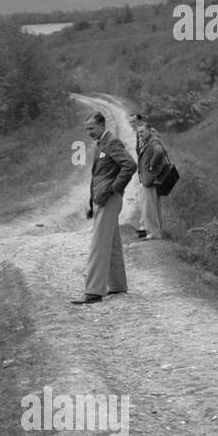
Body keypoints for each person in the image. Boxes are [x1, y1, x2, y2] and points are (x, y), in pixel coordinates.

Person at [73, 110, 136, 304]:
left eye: (91, 128)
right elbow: (100, 175)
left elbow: (130, 165)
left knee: (99, 244)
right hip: (103, 198)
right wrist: (94, 202)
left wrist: (114, 188)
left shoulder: (111, 142)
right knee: (112, 240)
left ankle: (93, 291)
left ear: (101, 125)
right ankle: (117, 285)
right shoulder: (102, 143)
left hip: (109, 198)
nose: (89, 132)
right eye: (86, 129)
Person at [134, 118, 168, 241]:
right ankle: (157, 232)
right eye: (138, 132)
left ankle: (154, 233)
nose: (140, 134)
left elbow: (159, 151)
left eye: (142, 132)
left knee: (148, 207)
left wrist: (152, 166)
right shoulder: (148, 140)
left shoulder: (153, 140)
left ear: (149, 130)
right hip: (151, 179)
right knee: (153, 207)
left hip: (150, 179)